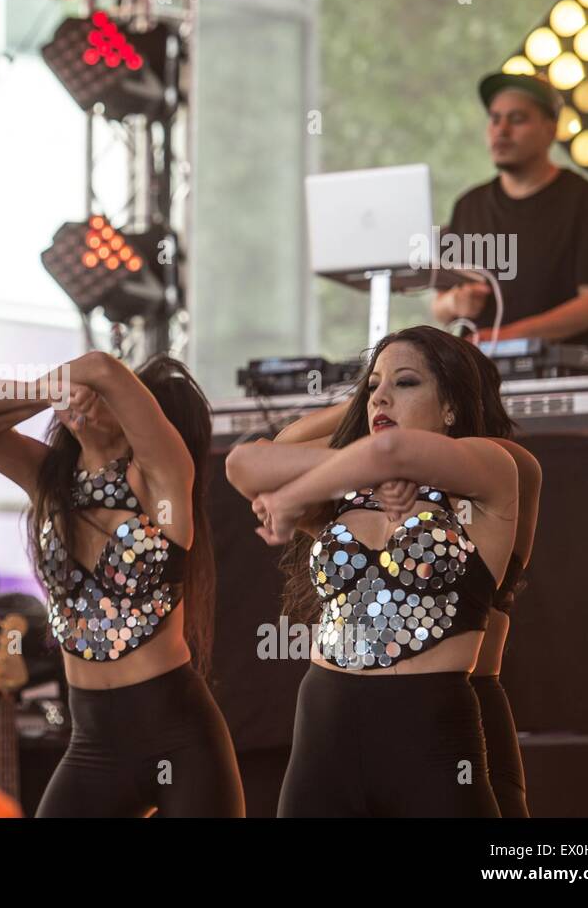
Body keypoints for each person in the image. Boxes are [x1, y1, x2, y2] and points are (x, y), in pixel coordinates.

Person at [227, 325, 519, 816]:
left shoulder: (495, 470)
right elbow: (244, 463)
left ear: (450, 405)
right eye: (372, 385)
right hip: (323, 732)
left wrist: (292, 496)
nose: (381, 396)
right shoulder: (348, 490)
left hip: (429, 737)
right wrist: (369, 416)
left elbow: (391, 451)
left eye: (406, 383)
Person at [0, 352, 244, 817]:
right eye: (75, 386)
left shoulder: (162, 478)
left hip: (180, 741)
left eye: (103, 396)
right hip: (93, 744)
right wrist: (45, 394)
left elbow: (102, 367)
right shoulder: (49, 479)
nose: (83, 393)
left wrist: (67, 389)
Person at [432, 72, 588, 349]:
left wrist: (507, 338)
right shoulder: (468, 205)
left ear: (551, 129)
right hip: (477, 379)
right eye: (495, 119)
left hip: (559, 382)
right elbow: (440, 305)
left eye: (517, 119)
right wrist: (455, 302)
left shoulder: (585, 202)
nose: (502, 130)